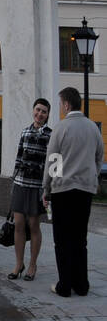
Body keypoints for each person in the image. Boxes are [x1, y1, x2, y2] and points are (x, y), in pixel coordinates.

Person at [42, 87, 104, 297]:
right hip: (84, 190)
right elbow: (99, 157)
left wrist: (46, 187)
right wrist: (90, 177)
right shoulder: (93, 128)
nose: (60, 108)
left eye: (60, 104)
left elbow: (52, 160)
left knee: (62, 239)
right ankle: (81, 285)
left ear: (67, 104)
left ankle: (64, 286)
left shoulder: (61, 128)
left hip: (63, 190)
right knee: (80, 239)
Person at [8, 98, 52, 280]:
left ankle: (32, 265)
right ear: (33, 110)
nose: (39, 114)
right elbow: (18, 158)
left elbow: (50, 163)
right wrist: (14, 181)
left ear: (48, 115)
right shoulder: (25, 132)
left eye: (43, 111)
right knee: (18, 224)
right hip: (21, 183)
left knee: (34, 225)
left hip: (37, 186)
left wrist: (47, 189)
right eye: (37, 110)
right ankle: (19, 264)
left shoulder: (50, 134)